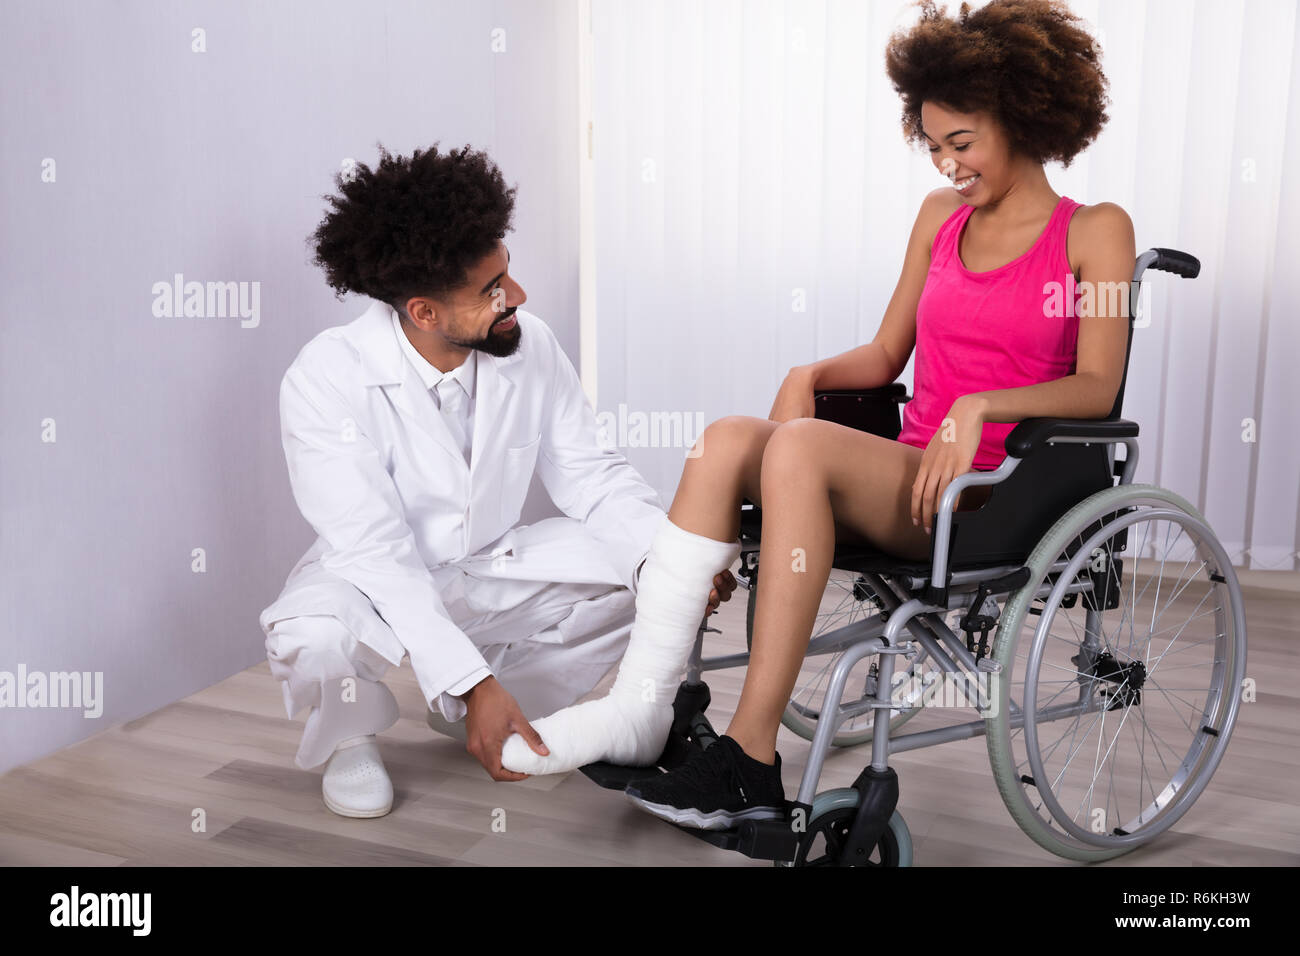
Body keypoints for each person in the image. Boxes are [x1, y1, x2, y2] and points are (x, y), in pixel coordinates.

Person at [500, 0, 1135, 831]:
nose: (948, 164)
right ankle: (646, 706)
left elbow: (1097, 386)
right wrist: (811, 373)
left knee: (795, 449)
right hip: (916, 471)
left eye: (964, 143)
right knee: (729, 438)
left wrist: (981, 406)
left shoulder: (1097, 231)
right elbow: (884, 355)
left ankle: (752, 762)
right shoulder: (941, 219)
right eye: (936, 145)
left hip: (997, 489)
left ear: (1023, 118)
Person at [258, 143, 738, 818]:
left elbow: (592, 476)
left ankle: (493, 700)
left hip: (487, 564)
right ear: (423, 312)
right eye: (492, 290)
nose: (516, 297)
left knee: (653, 578)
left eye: (506, 273)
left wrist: (670, 561)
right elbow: (375, 550)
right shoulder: (324, 379)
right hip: (373, 575)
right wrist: (469, 678)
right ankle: (353, 736)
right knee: (311, 634)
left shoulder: (528, 341)